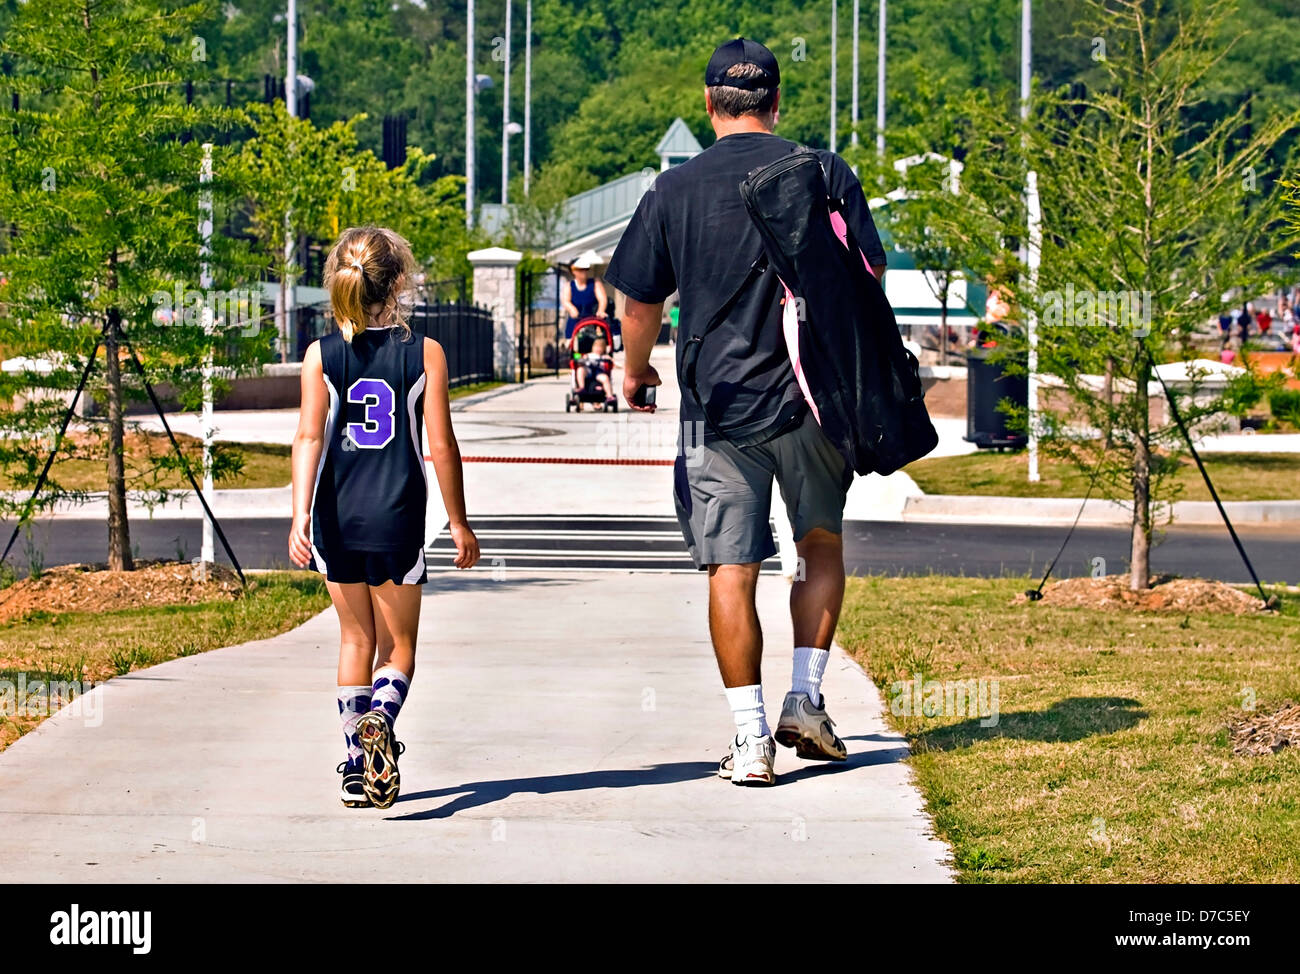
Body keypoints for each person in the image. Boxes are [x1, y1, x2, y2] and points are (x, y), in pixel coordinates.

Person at [604, 37, 888, 787]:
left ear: (707, 104)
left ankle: (752, 740)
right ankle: (807, 696)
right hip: (814, 400)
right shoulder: (824, 173)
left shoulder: (672, 191)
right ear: (777, 102)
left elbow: (638, 300)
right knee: (819, 545)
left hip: (712, 409)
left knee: (730, 568)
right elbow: (870, 276)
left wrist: (634, 374)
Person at [288, 225, 480, 810]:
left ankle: (354, 763)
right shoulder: (425, 352)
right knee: (398, 650)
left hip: (336, 519)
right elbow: (441, 445)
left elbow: (307, 436)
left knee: (354, 637)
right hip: (397, 518)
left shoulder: (321, 354)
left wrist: (298, 515)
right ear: (397, 282)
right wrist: (458, 520)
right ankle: (381, 717)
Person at [562, 255, 608, 340]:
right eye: (580, 269)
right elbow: (566, 301)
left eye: (585, 269)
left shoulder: (595, 283)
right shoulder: (569, 285)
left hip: (593, 322)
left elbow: (602, 299)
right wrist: (571, 309)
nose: (584, 272)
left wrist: (601, 310)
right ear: (573, 271)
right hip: (575, 323)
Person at [575, 335, 615, 408]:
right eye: (596, 347)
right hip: (588, 371)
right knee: (580, 370)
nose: (598, 349)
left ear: (604, 349)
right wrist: (580, 360)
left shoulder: (604, 356)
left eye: (600, 347)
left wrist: (620, 365)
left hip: (599, 372)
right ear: (593, 347)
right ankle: (582, 387)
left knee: (605, 378)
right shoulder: (588, 355)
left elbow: (613, 361)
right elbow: (580, 360)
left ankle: (609, 396)